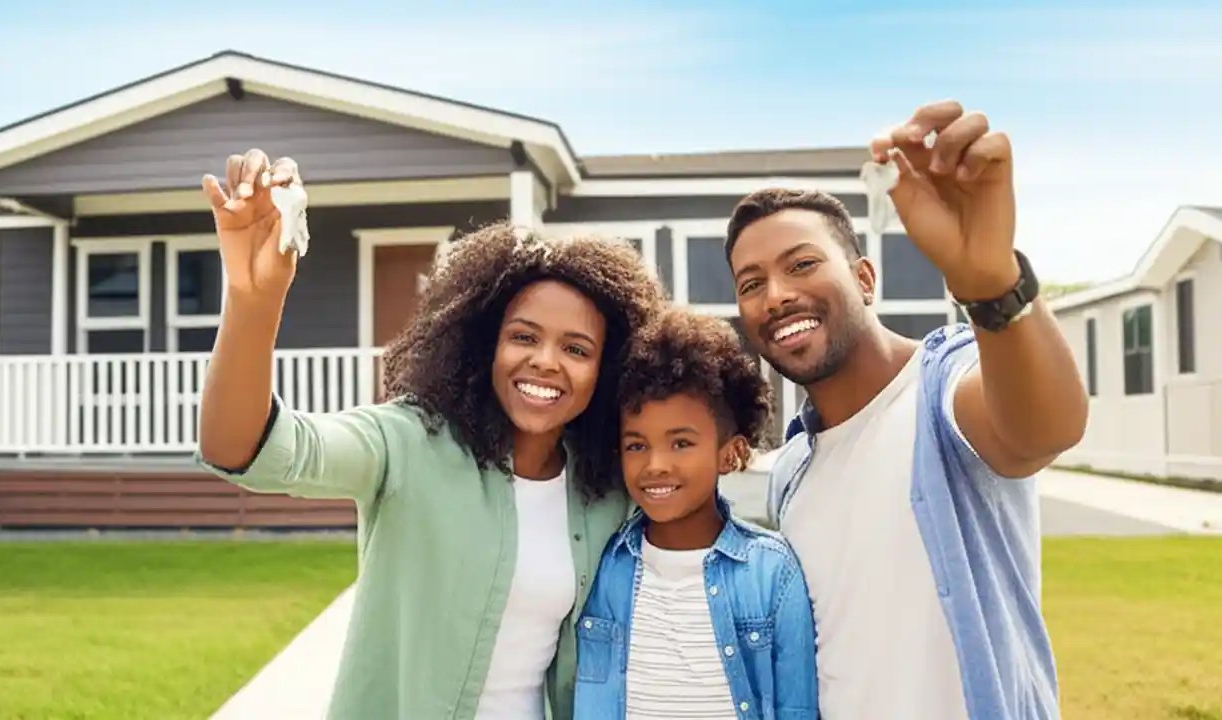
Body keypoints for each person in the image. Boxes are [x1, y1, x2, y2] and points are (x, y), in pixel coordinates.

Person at [194, 149, 665, 720]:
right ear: (484, 344)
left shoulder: (605, 491)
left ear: (606, 369)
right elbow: (249, 449)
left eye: (576, 349)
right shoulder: (410, 442)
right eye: (523, 337)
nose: (545, 362)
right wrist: (253, 300)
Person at [726, 101, 1088, 720]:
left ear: (864, 278)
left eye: (802, 264)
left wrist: (992, 285)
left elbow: (1042, 430)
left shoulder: (944, 385)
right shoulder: (792, 471)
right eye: (751, 283)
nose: (777, 295)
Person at [573, 308, 818, 720]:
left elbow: (797, 706)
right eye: (637, 445)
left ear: (731, 453)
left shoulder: (772, 573)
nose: (655, 465)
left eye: (681, 444)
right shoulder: (603, 564)